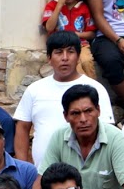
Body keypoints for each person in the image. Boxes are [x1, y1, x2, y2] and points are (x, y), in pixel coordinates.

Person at [27, 84, 124, 189]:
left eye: (88, 111)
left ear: (98, 110)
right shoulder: (59, 138)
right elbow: (42, 180)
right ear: (66, 116)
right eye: (75, 113)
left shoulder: (115, 138)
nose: (83, 119)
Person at [14, 32, 114, 168]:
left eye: (70, 52)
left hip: (86, 174)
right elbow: (22, 128)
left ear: (78, 56)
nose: (65, 58)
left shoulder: (96, 88)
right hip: (42, 175)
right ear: (49, 58)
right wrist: (23, 168)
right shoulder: (35, 89)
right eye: (58, 52)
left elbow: (107, 131)